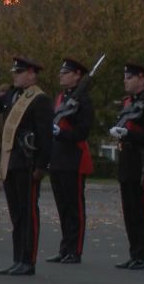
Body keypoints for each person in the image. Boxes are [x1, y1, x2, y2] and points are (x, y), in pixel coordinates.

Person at [0, 57, 53, 276]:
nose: (15, 75)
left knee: (29, 213)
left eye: (19, 72)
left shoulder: (39, 100)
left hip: (28, 163)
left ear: (32, 74)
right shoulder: (12, 95)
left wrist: (41, 166)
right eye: (14, 72)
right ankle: (18, 258)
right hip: (11, 162)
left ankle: (28, 260)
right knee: (17, 215)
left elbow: (45, 137)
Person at [110, 63, 144, 271]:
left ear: (141, 79)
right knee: (130, 211)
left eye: (129, 77)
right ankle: (135, 253)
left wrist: (128, 135)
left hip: (142, 164)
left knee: (142, 212)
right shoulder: (127, 103)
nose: (125, 80)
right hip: (127, 163)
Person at [47, 58, 94, 265]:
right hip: (58, 158)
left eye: (65, 72)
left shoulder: (83, 100)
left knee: (75, 208)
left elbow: (83, 131)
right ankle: (65, 248)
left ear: (77, 75)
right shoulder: (59, 98)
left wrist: (62, 132)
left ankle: (75, 250)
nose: (61, 75)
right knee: (63, 207)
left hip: (73, 157)